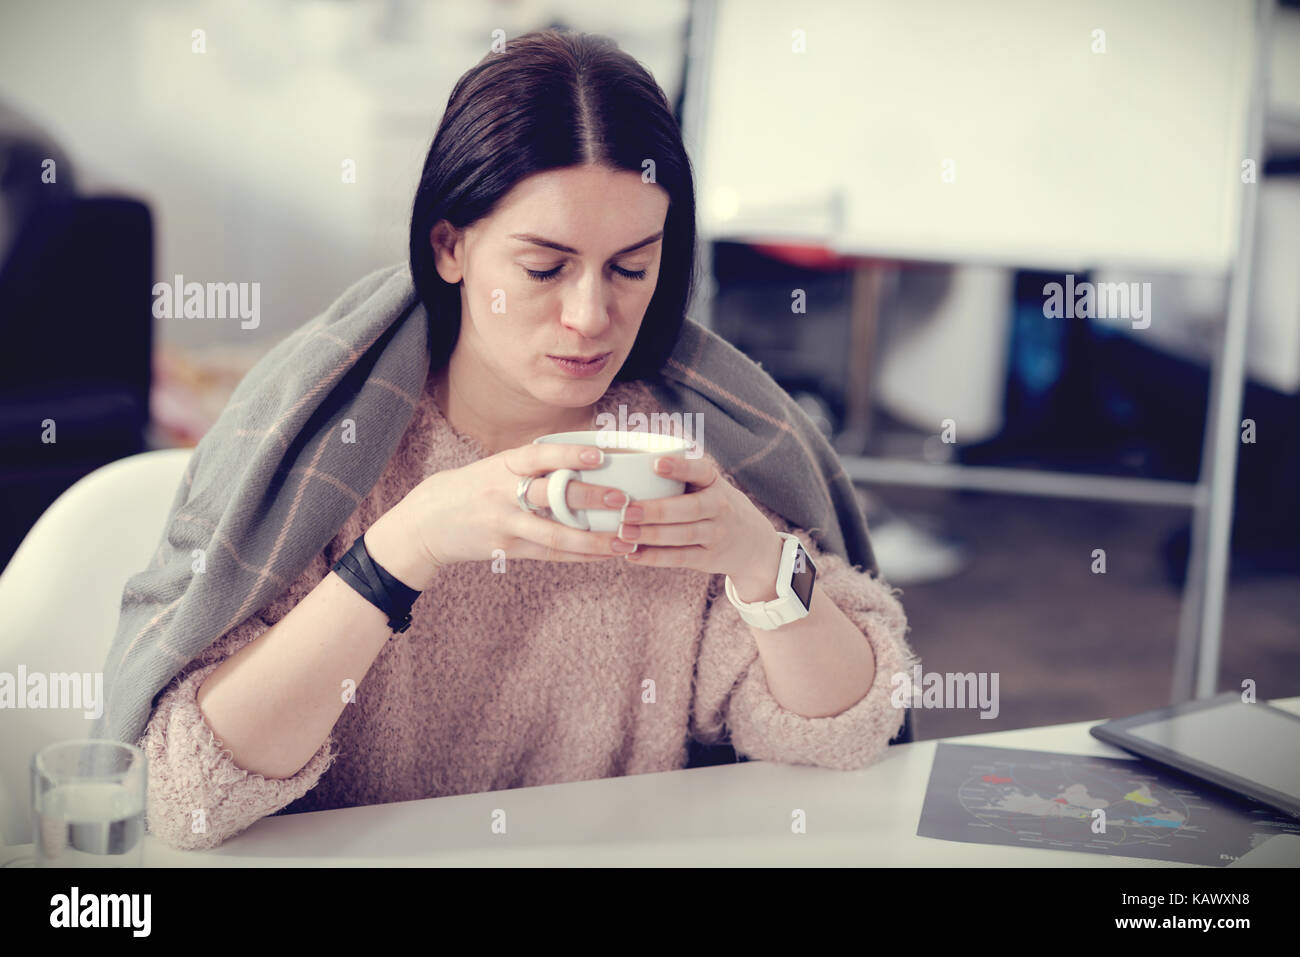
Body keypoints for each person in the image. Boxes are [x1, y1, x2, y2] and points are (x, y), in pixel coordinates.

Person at [137, 28, 919, 851]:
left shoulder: (678, 447)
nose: (590, 317)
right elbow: (191, 790)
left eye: (630, 267)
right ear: (451, 247)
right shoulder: (342, 451)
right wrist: (402, 549)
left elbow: (845, 727)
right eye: (545, 268)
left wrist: (760, 562)